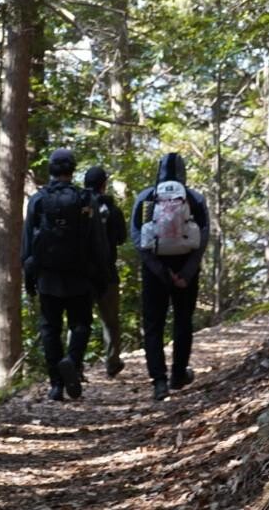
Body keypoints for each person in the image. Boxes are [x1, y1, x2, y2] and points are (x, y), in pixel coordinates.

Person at [23, 148, 109, 401]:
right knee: (80, 324)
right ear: (72, 170)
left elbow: (27, 243)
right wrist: (101, 274)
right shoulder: (85, 199)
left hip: (47, 276)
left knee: (50, 329)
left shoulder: (38, 200)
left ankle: (56, 385)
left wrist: (29, 275)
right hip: (80, 275)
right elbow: (97, 239)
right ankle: (71, 360)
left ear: (51, 169)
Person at [130, 151, 211, 401]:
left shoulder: (147, 197)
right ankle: (178, 374)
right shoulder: (194, 198)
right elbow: (203, 236)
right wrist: (186, 273)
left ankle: (159, 382)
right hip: (186, 268)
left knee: (153, 325)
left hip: (155, 270)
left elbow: (137, 236)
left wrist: (160, 271)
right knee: (183, 320)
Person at [83, 164, 127, 377]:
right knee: (110, 321)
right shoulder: (112, 210)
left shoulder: (79, 206)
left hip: (83, 274)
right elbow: (121, 238)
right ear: (103, 185)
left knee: (79, 321)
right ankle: (112, 362)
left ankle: (74, 364)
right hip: (108, 272)